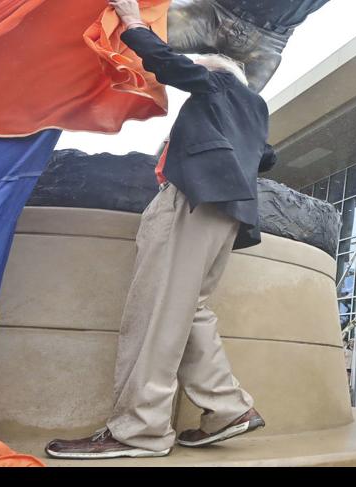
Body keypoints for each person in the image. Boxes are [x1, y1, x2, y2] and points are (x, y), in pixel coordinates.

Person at [48, 0, 275, 458]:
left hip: (192, 202)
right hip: (228, 213)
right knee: (190, 310)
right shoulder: (254, 111)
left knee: (155, 313)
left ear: (215, 72)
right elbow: (267, 158)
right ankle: (228, 407)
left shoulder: (218, 85)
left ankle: (139, 430)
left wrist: (132, 23)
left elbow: (173, 66)